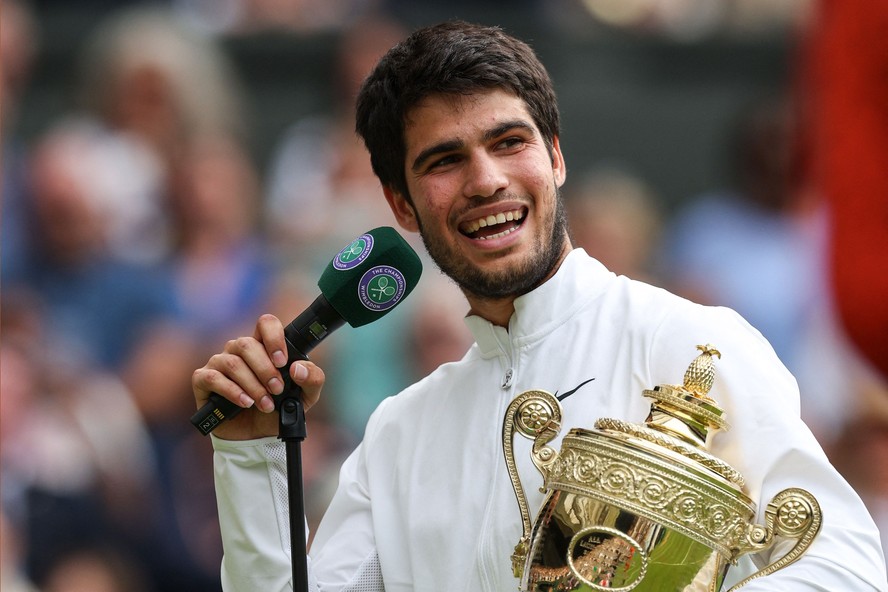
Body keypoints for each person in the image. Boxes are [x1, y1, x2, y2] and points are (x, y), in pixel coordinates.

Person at [191, 21, 888, 591]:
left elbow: (844, 566)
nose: (486, 180)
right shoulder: (398, 435)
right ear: (401, 206)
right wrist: (252, 461)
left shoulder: (692, 343)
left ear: (555, 157)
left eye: (508, 142)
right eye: (444, 161)